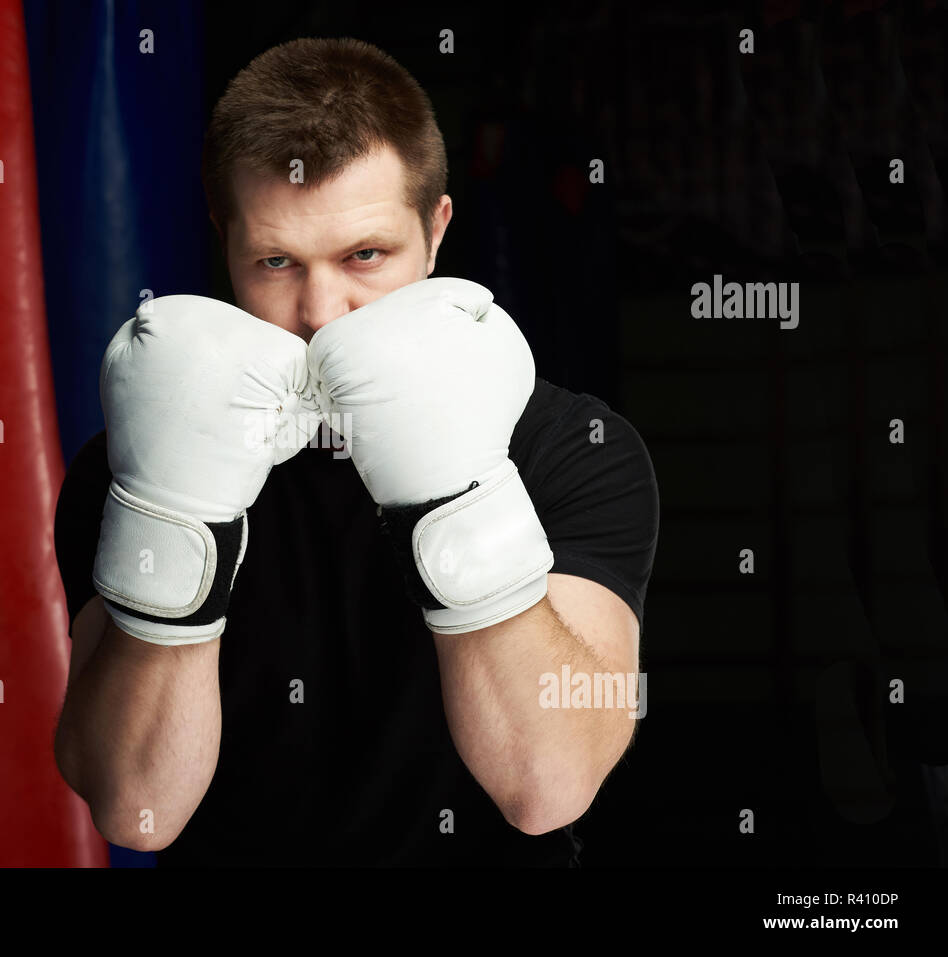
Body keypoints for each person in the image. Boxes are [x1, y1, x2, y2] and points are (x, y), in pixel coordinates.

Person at [51, 37, 660, 866]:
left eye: (364, 256)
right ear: (223, 242)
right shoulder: (130, 469)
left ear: (437, 230)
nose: (322, 309)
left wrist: (454, 490)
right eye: (276, 262)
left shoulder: (572, 449)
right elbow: (139, 807)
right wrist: (175, 516)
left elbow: (546, 785)